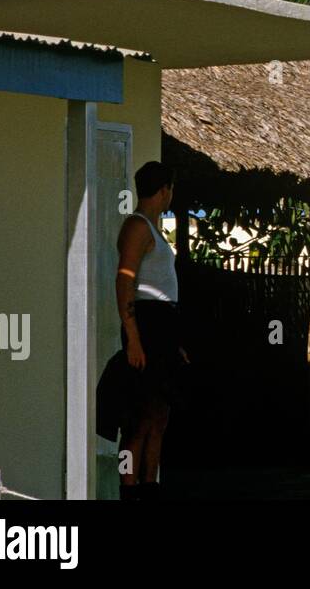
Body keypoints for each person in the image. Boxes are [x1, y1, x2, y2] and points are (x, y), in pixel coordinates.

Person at [115, 161, 187, 499]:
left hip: (163, 327)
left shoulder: (155, 230)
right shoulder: (137, 227)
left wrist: (174, 343)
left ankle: (149, 486)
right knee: (137, 420)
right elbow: (125, 280)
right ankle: (127, 487)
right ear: (164, 190)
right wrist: (133, 337)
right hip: (145, 324)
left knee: (159, 415)